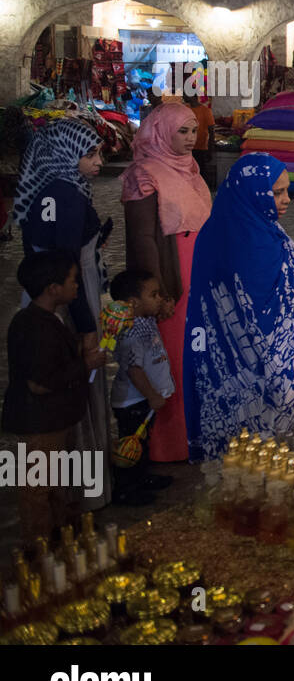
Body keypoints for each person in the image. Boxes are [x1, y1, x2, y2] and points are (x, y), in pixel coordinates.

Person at [184, 155, 294, 460]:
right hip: (243, 359)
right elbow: (246, 307)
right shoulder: (229, 237)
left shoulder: (265, 227)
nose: (285, 201)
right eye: (277, 193)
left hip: (275, 351)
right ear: (254, 192)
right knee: (243, 440)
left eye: (287, 192)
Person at [14, 118, 113, 509]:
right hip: (73, 295)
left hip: (45, 294)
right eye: (89, 153)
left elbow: (35, 250)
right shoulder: (67, 197)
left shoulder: (49, 190)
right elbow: (68, 261)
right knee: (78, 380)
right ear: (65, 153)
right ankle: (84, 494)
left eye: (99, 152)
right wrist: (88, 326)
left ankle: (69, 490)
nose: (98, 161)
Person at [120, 102, 212, 463]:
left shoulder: (190, 168)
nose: (191, 139)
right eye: (182, 132)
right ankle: (164, 445)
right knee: (167, 358)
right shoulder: (144, 173)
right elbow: (142, 238)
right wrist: (156, 293)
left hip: (198, 270)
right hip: (171, 275)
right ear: (161, 132)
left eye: (193, 131)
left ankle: (194, 435)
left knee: (195, 357)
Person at [3, 252, 106, 541]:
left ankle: (60, 534)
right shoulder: (35, 327)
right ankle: (39, 549)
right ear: (53, 288)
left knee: (57, 481)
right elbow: (40, 384)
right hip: (41, 422)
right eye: (72, 280)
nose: (77, 285)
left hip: (55, 419)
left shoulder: (44, 319)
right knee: (38, 488)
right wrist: (85, 364)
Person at [108, 269, 174, 505]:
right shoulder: (130, 332)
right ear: (133, 302)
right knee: (130, 446)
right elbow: (134, 370)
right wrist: (152, 395)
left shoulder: (143, 319)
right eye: (154, 295)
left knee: (142, 442)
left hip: (141, 399)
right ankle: (126, 489)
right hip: (132, 400)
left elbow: (155, 317)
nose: (159, 299)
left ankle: (142, 478)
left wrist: (163, 308)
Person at [184, 94, 217, 189]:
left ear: (193, 96)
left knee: (201, 173)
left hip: (200, 148)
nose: (183, 96)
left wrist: (210, 149)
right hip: (187, 148)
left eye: (186, 94)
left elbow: (212, 132)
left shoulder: (206, 111)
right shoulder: (185, 109)